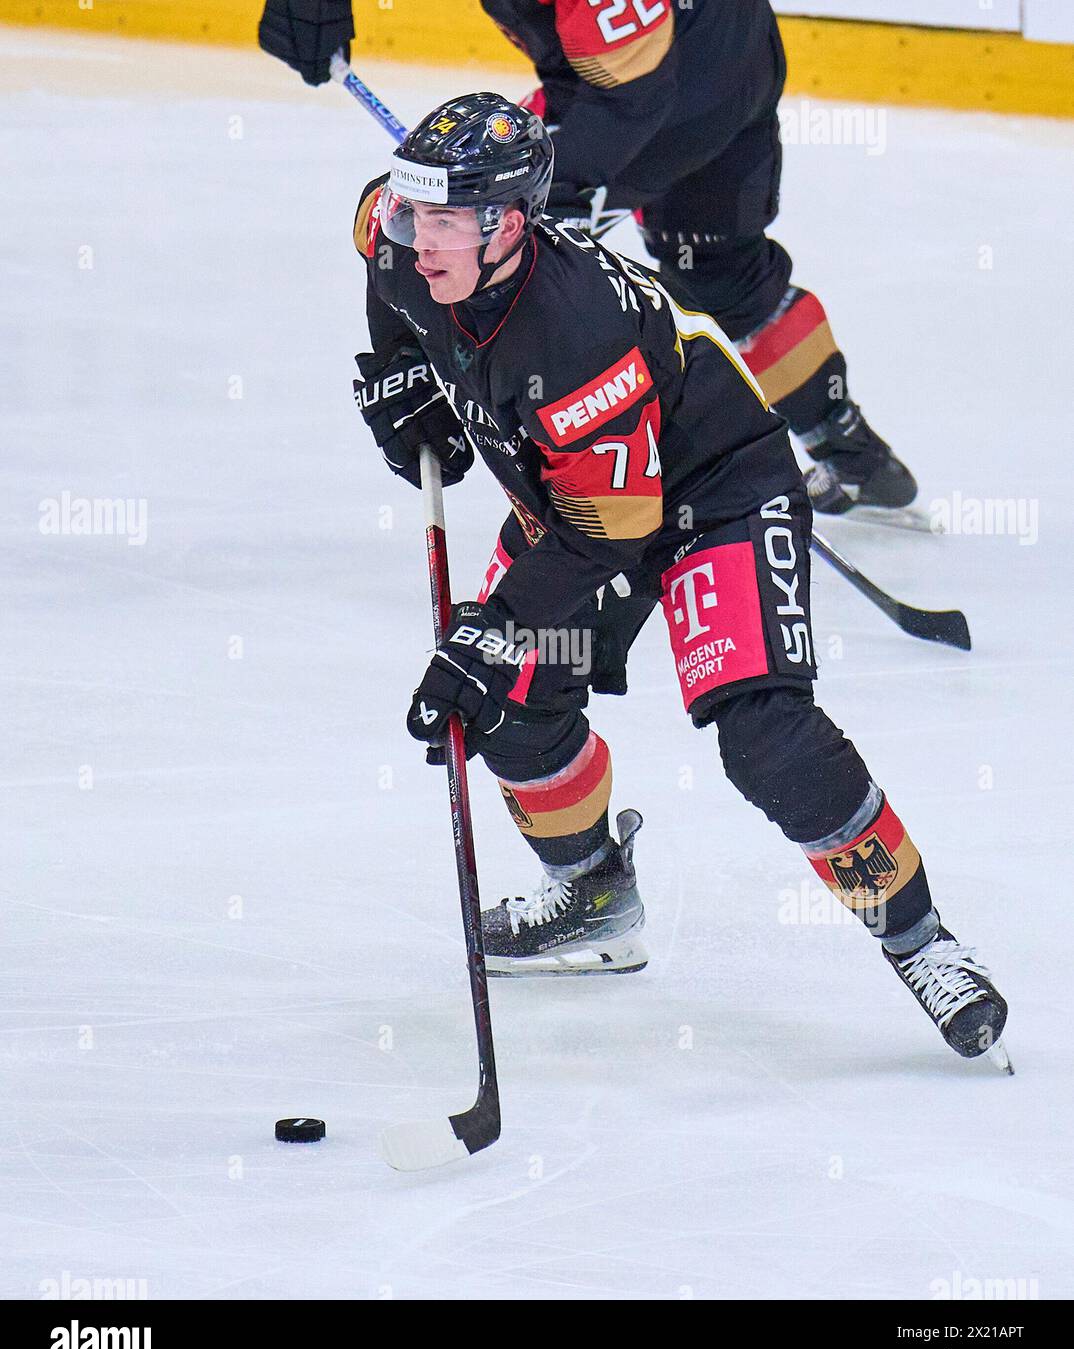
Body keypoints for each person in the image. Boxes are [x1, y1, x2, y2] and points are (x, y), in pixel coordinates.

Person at [348, 92, 1008, 1068]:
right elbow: (377, 252)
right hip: (579, 491)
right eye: (414, 212)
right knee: (519, 709)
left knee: (766, 736)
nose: (418, 237)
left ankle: (921, 939)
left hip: (708, 495)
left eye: (444, 219)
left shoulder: (573, 343)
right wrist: (401, 373)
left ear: (511, 226)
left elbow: (608, 536)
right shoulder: (407, 239)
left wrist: (489, 630)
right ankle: (592, 895)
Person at [259, 0, 918, 518]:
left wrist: (543, 199)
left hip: (671, 93)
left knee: (485, 239)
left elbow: (633, 102)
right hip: (714, 49)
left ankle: (587, 469)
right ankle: (848, 443)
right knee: (722, 272)